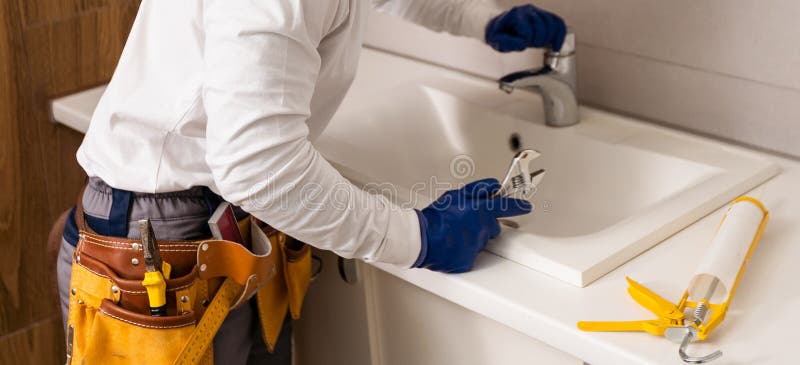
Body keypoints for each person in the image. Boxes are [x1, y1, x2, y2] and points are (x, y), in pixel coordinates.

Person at [56, 0, 566, 363]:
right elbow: (258, 165)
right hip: (161, 245)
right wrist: (419, 238)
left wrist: (483, 19)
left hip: (214, 221)